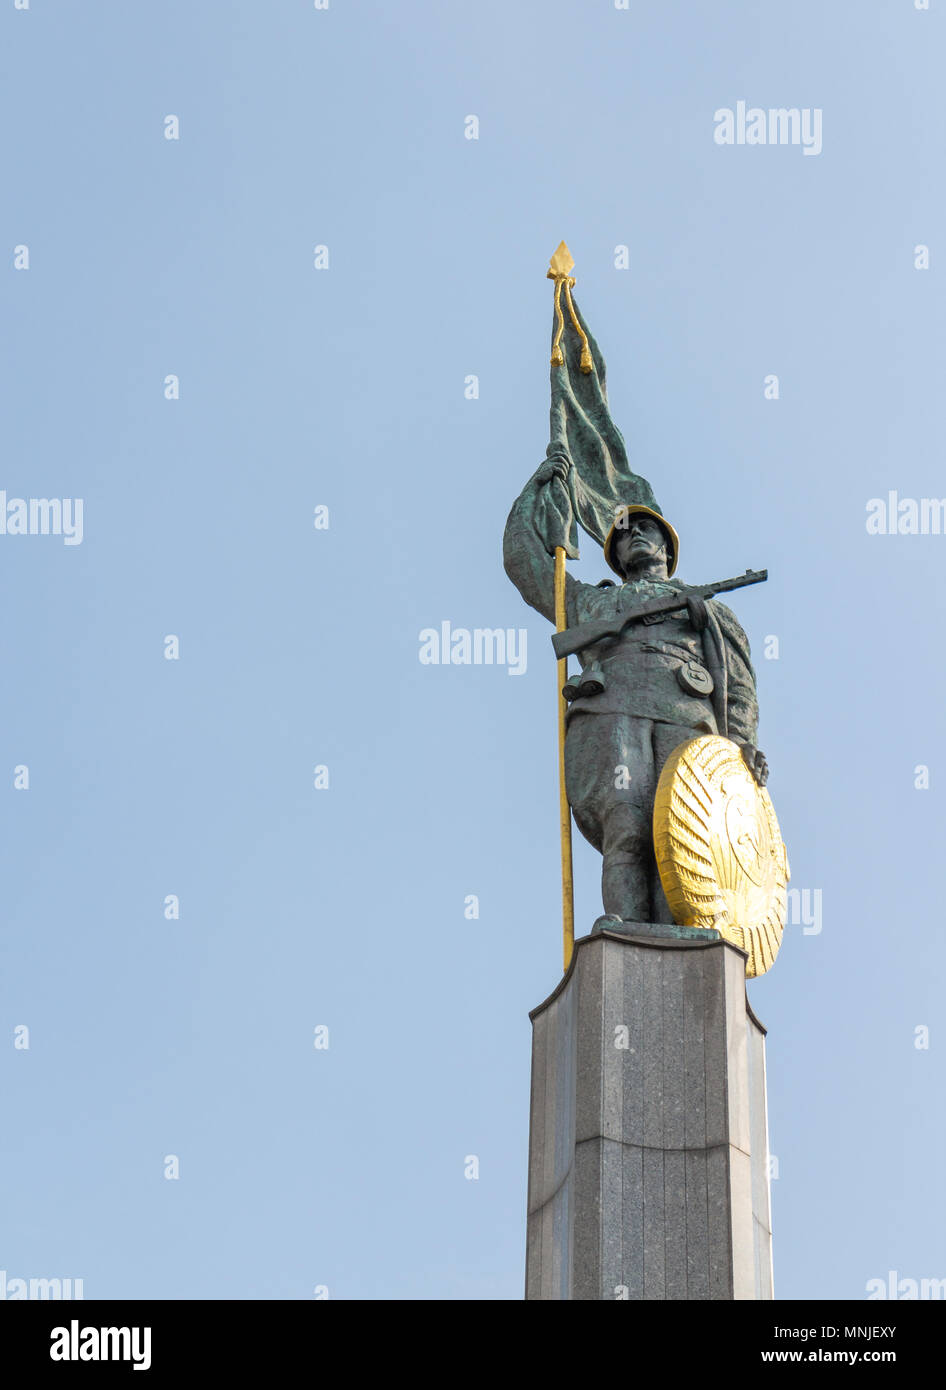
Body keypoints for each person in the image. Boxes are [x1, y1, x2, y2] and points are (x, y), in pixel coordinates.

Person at [503, 452, 768, 926]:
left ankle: (685, 934)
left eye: (645, 529)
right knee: (625, 824)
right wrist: (537, 493)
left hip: (688, 715)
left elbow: (740, 687)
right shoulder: (593, 601)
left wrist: (743, 743)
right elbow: (526, 565)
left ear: (668, 547)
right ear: (616, 556)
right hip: (614, 709)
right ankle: (624, 928)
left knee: (684, 832)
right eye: (623, 534)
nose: (634, 536)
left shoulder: (708, 608)